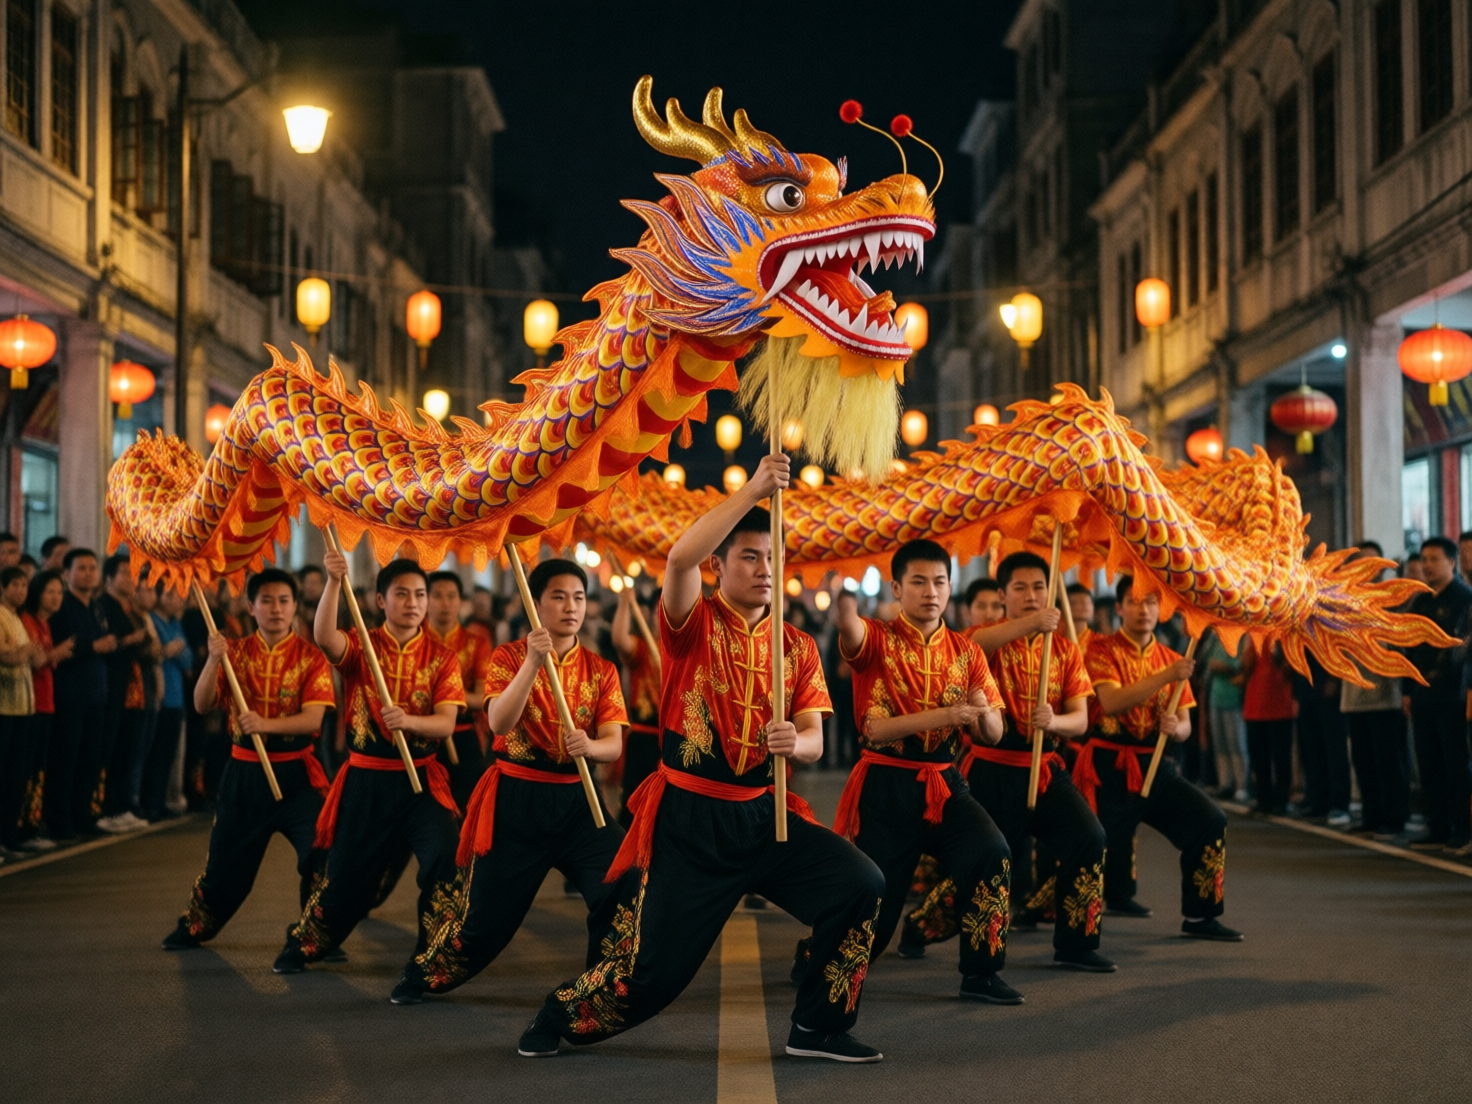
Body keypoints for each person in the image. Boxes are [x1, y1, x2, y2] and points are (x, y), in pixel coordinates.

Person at [519, 453, 885, 1063]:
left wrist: (795, 743)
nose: (764, 569)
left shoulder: (796, 646)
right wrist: (754, 490)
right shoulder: (691, 623)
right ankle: (558, 1014)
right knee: (651, 976)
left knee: (860, 883)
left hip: (766, 817)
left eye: (772, 558)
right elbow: (678, 559)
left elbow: (816, 738)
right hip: (691, 822)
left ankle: (818, 1027)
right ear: (719, 566)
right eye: (749, 557)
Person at [394, 559, 629, 1005]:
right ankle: (425, 972)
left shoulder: (601, 669)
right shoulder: (507, 656)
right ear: (535, 604)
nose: (571, 607)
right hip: (517, 802)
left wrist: (590, 747)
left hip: (580, 801)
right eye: (558, 597)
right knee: (484, 921)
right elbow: (499, 721)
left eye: (578, 597)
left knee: (622, 879)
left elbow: (613, 744)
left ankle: (600, 987)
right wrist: (534, 661)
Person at [823, 539, 1019, 1003]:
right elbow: (874, 726)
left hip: (946, 783)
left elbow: (993, 732)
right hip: (887, 785)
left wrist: (982, 711)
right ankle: (816, 954)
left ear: (950, 587)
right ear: (896, 588)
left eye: (939, 582)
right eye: (918, 581)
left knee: (991, 851)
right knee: (876, 913)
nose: (931, 591)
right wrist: (842, 590)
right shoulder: (876, 639)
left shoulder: (967, 651)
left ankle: (981, 973)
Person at [272, 558, 464, 974]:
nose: (412, 603)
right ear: (380, 600)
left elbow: (446, 722)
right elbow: (324, 637)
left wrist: (408, 721)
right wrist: (334, 581)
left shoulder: (443, 657)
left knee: (445, 856)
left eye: (419, 594)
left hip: (421, 782)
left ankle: (432, 959)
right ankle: (305, 943)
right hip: (367, 781)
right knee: (346, 878)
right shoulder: (362, 645)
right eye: (401, 594)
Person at [162, 570, 336, 949]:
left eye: (284, 601)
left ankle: (316, 933)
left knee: (322, 850)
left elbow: (313, 719)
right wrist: (213, 660)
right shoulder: (234, 653)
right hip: (244, 774)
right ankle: (196, 925)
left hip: (298, 775)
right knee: (226, 865)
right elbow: (202, 703)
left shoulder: (311, 657)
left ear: (294, 607)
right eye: (267, 601)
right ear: (252, 607)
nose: (276, 609)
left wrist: (265, 724)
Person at [961, 551, 1111, 971]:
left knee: (1089, 836)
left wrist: (1055, 721)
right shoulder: (986, 636)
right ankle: (930, 932)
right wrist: (1032, 624)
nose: (1031, 595)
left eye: (1039, 587)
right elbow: (970, 649)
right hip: (992, 769)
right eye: (1021, 588)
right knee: (984, 864)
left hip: (1045, 770)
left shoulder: (1064, 649)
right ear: (1003, 594)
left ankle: (1077, 945)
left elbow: (1081, 719)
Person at [1078, 576, 1239, 940]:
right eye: (1134, 602)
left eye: (1151, 602)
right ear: (1119, 608)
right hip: (1108, 764)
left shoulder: (1173, 659)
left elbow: (1185, 725)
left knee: (1209, 820)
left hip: (1156, 764)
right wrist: (1167, 676)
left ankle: (1201, 915)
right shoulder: (1102, 650)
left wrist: (1175, 728)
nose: (1144, 610)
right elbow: (1111, 702)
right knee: (1094, 842)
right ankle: (1084, 928)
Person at [1405, 536, 1472, 853]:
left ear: (1451, 562)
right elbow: (1409, 647)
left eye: (1434, 559)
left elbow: (1461, 650)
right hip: (1422, 694)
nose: (1427, 565)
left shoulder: (1464, 598)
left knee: (1455, 764)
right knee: (1429, 763)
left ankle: (1462, 828)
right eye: (1425, 559)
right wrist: (1408, 689)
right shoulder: (1421, 601)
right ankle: (1437, 826)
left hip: (1452, 694)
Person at [47, 549, 117, 840]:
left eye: (92, 568)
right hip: (70, 694)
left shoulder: (96, 607)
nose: (89, 573)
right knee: (67, 760)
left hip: (96, 694)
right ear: (67, 574)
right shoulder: (63, 607)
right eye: (82, 568)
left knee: (90, 759)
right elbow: (64, 646)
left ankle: (83, 816)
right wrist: (94, 647)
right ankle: (60, 822)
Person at [1341, 546, 1409, 841]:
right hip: (1353, 697)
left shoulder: (1392, 601)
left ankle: (1394, 818)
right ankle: (1371, 816)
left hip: (1385, 695)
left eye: (1372, 561)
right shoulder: (1345, 602)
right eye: (1361, 562)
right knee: (1363, 761)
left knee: (1388, 762)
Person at [93, 556, 154, 833]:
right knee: (110, 749)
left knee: (127, 750)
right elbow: (109, 643)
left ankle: (121, 806)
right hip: (112, 686)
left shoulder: (129, 608)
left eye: (134, 574)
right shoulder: (103, 606)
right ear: (109, 578)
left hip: (132, 688)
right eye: (125, 574)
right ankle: (104, 808)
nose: (132, 579)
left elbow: (144, 641)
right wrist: (130, 641)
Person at [425, 571, 492, 807]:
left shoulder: (476, 643)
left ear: (461, 601)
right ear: (425, 599)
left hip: (463, 734)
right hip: (421, 735)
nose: (445, 603)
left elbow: (483, 698)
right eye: (437, 596)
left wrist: (444, 693)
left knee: (468, 804)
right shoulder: (415, 642)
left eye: (451, 596)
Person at [16, 570, 69, 851]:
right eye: (50, 591)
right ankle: (20, 829)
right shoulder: (27, 621)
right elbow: (37, 661)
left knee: (38, 769)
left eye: (59, 592)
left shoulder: (44, 623)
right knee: (25, 769)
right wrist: (55, 654)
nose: (56, 597)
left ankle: (31, 826)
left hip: (46, 702)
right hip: (30, 704)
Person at [611, 582, 661, 827]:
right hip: (643, 739)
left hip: (673, 741)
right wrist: (625, 603)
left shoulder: (687, 651)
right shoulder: (643, 647)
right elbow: (620, 640)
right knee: (634, 806)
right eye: (659, 611)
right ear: (651, 615)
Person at [141, 586, 192, 823]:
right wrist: (168, 650)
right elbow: (158, 653)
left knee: (168, 754)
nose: (177, 600)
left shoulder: (175, 623)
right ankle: (150, 803)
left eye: (179, 595)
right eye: (170, 595)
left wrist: (173, 651)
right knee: (155, 753)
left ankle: (161, 801)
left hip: (176, 695)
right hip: (159, 696)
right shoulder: (151, 620)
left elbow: (188, 659)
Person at [0, 566, 39, 855]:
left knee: (16, 775)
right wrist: (23, 651)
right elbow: (7, 656)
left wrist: (22, 652)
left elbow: (30, 657)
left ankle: (9, 836)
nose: (21, 590)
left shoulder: (19, 618)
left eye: (24, 585)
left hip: (24, 705)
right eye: (15, 584)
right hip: (5, 706)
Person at [1241, 637, 1295, 816]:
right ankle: (1263, 799)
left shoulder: (1284, 634)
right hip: (1255, 706)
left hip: (1279, 706)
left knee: (1280, 759)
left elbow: (1290, 667)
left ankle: (1281, 800)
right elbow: (1246, 666)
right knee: (1259, 759)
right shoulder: (1252, 635)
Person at [1200, 630, 1248, 801]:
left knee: (1236, 743)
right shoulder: (1215, 639)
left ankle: (1241, 785)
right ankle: (1225, 783)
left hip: (1232, 696)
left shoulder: (1239, 638)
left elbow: (1240, 664)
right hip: (1215, 697)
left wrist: (1223, 666)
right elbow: (1206, 660)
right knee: (1220, 744)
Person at [1066, 583, 1096, 654]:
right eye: (1079, 602)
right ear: (1066, 606)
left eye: (1088, 602)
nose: (1085, 605)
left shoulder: (1099, 641)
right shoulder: (1058, 640)